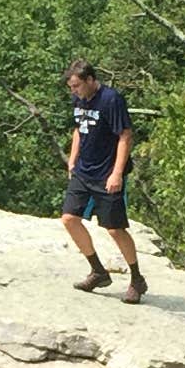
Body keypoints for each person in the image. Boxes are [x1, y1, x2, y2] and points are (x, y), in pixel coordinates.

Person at [60, 60, 145, 302]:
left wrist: (117, 173)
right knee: (69, 219)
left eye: (77, 86)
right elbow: (78, 128)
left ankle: (137, 280)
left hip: (107, 173)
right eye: (71, 87)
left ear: (89, 80)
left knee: (114, 229)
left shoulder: (111, 99)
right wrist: (72, 158)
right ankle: (98, 271)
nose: (74, 91)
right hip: (83, 171)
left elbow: (125, 135)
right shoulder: (79, 99)